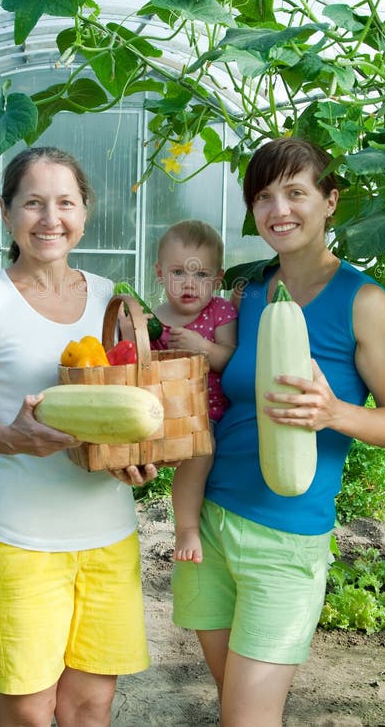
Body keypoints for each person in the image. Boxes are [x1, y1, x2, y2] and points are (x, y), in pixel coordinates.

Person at [171, 137, 385, 727]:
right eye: (263, 196)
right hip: (208, 526)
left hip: (286, 539)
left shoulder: (364, 302)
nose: (278, 209)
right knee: (234, 708)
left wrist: (335, 412)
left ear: (330, 201)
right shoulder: (252, 293)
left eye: (295, 192)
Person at [0, 146, 156, 727]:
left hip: (109, 537)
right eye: (33, 203)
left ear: (85, 212)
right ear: (7, 212)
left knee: (90, 708)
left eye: (65, 203)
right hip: (19, 541)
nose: (50, 219)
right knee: (29, 711)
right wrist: (14, 438)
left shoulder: (113, 301)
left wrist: (137, 460)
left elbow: (128, 412)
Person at [151, 220, 238, 564]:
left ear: (217, 280)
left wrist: (204, 347)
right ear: (160, 274)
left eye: (201, 275)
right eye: (178, 273)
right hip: (166, 409)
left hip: (206, 413)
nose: (189, 283)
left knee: (201, 450)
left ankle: (186, 527)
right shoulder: (154, 319)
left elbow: (230, 359)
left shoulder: (221, 312)